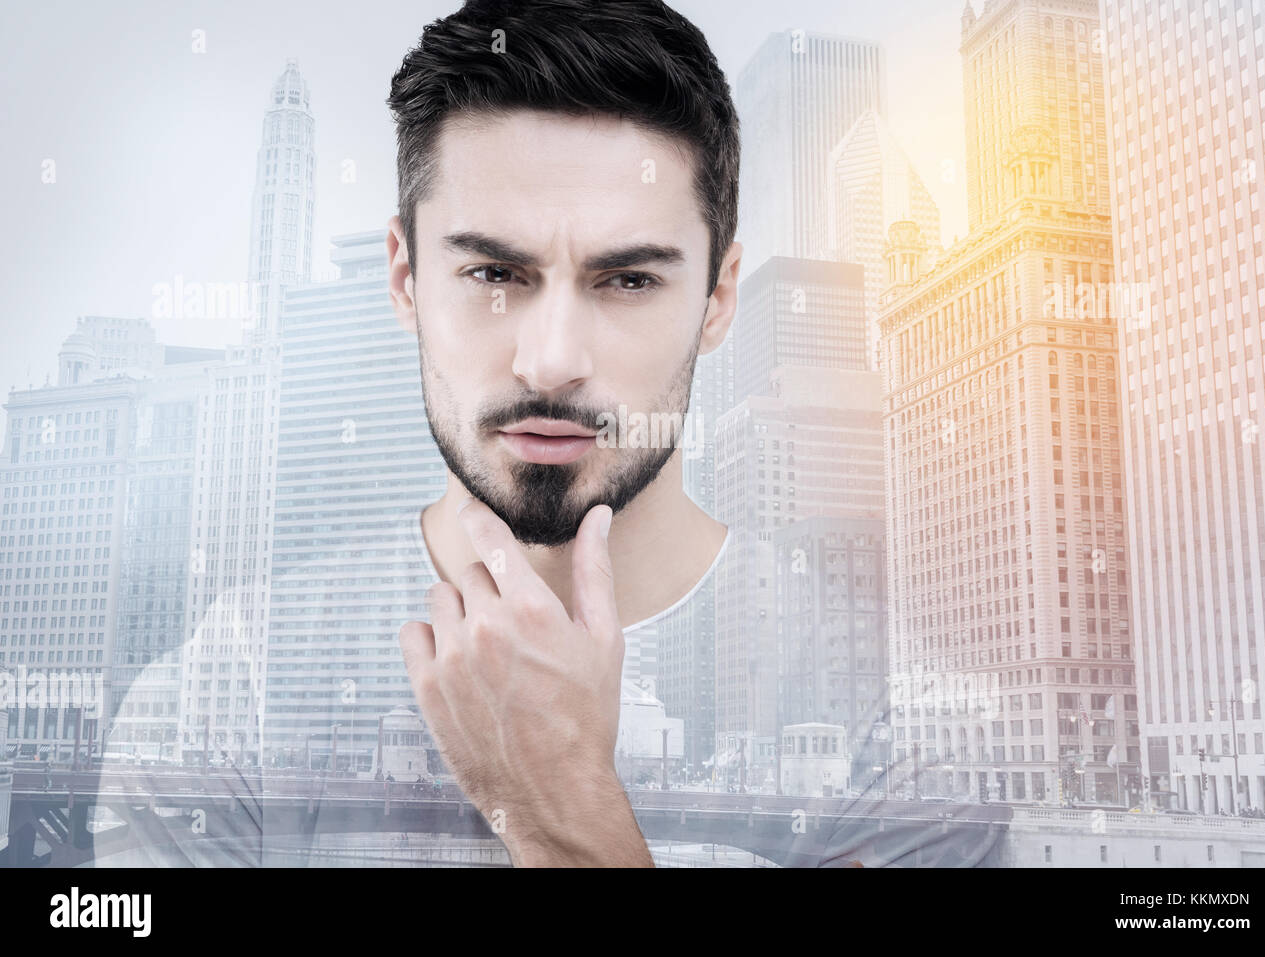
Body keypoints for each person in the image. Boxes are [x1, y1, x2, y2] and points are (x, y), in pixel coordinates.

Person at [85, 0, 1005, 870]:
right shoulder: (223, 690)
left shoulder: (901, 723)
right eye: (493, 271)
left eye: (628, 280)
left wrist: (560, 807)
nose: (553, 360)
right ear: (405, 278)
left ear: (719, 297)